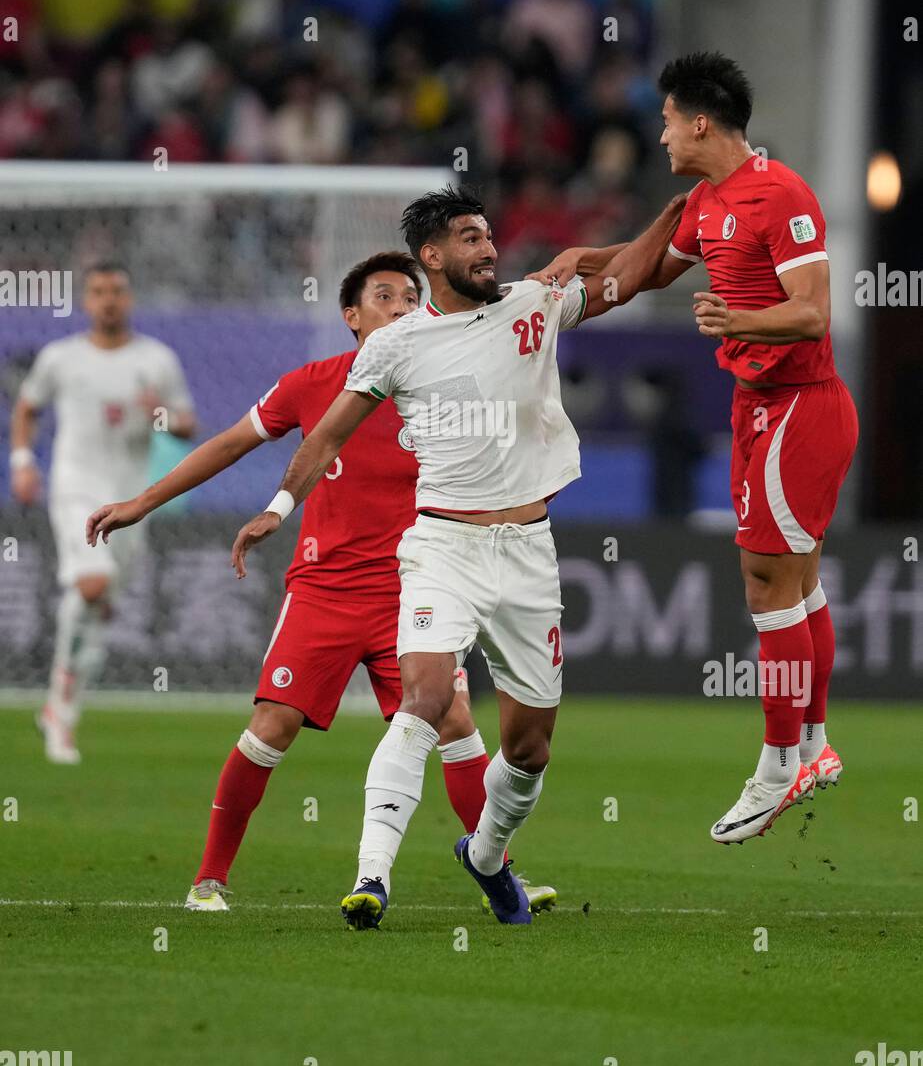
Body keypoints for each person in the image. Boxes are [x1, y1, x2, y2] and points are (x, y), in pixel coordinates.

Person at [228, 185, 685, 928]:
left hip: (528, 552)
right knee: (425, 698)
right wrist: (276, 509)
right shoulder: (396, 344)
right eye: (471, 239)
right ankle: (371, 874)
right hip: (443, 544)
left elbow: (640, 275)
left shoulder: (531, 305)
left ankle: (486, 855)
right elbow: (326, 437)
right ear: (433, 256)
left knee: (529, 750)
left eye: (488, 236)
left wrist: (668, 215)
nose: (489, 249)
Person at [86, 253, 555, 914]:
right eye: (383, 296)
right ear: (350, 315)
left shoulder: (446, 383)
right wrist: (141, 502)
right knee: (272, 724)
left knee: (452, 721)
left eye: (408, 298)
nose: (398, 307)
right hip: (324, 594)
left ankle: (499, 870)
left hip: (413, 593)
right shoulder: (312, 385)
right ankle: (209, 878)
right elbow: (226, 444)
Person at [531, 52, 858, 845]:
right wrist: (588, 261)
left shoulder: (780, 195)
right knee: (797, 583)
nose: (660, 134)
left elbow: (813, 313)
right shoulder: (709, 204)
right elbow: (646, 274)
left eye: (668, 119)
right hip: (759, 408)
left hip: (801, 407)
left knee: (765, 586)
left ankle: (778, 763)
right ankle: (811, 746)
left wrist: (740, 321)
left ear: (700, 120)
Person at [10, 263, 197, 763]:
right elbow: (27, 407)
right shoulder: (61, 358)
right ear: (85, 300)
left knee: (98, 609)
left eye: (117, 290)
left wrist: (158, 411)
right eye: (98, 292)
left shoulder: (156, 359)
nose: (108, 300)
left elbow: (185, 425)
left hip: (132, 500)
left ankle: (60, 711)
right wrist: (24, 461)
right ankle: (59, 712)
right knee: (92, 586)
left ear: (129, 297)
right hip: (75, 486)